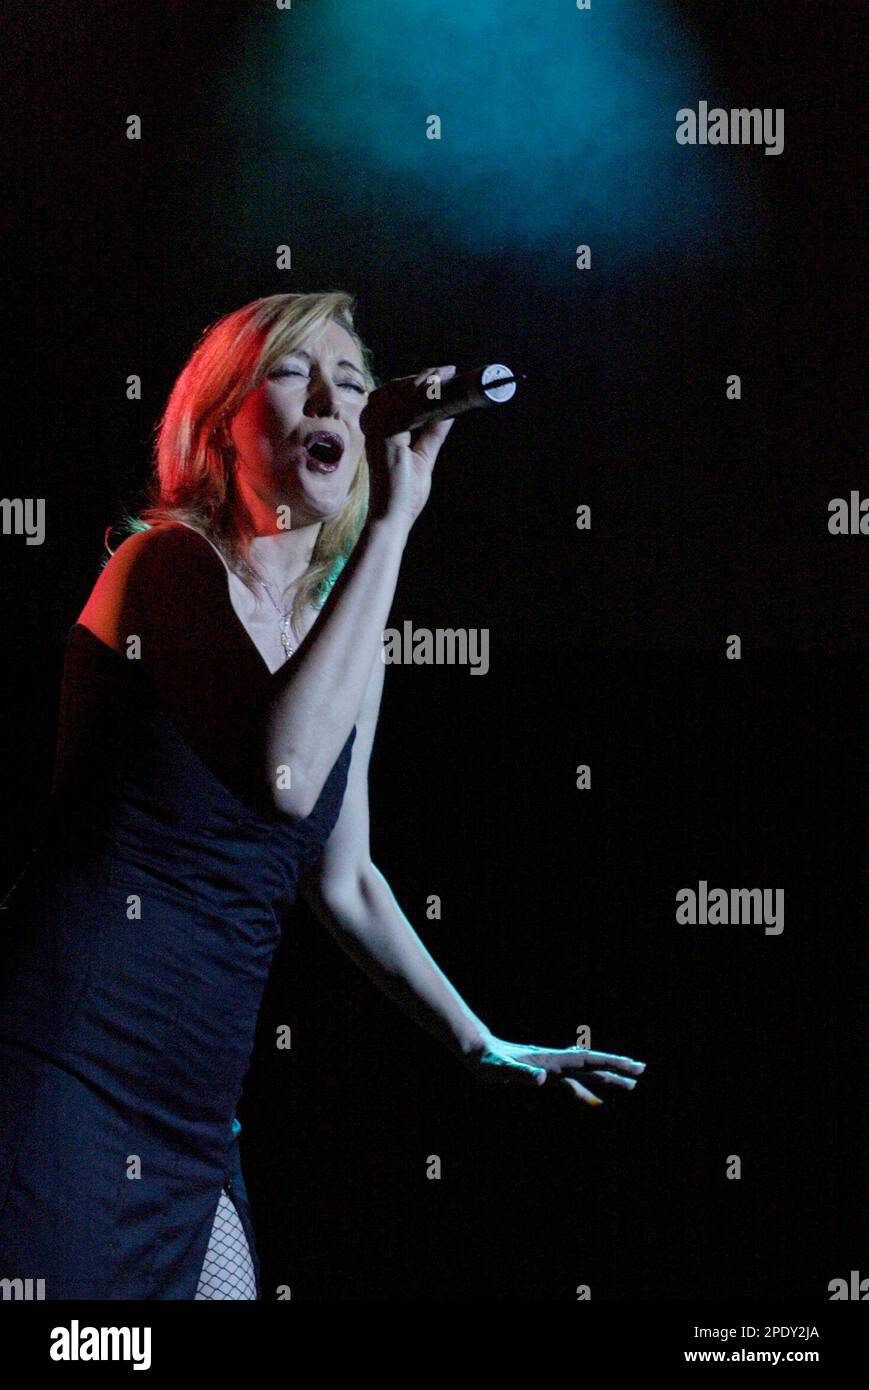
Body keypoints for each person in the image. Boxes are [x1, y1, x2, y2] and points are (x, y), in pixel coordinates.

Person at [0, 290, 645, 1301]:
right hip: (70, 1073)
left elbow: (344, 879)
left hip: (197, 1116)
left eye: (351, 384)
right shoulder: (161, 564)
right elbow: (287, 777)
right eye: (292, 372)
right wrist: (391, 525)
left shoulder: (343, 637)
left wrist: (478, 1041)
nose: (331, 400)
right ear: (221, 424)